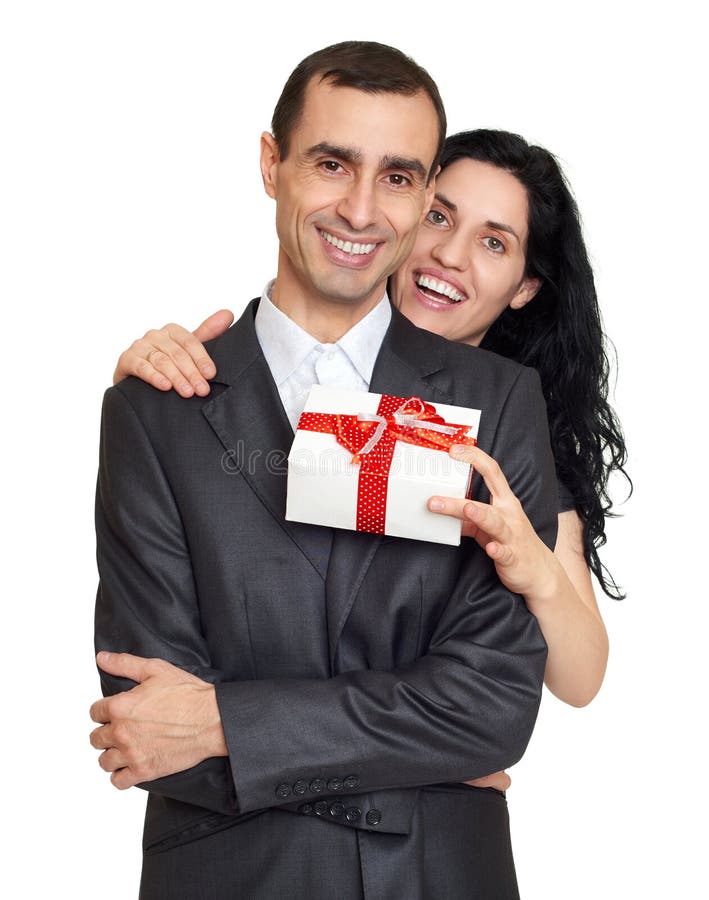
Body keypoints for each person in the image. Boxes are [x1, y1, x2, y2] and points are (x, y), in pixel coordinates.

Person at [90, 42, 559, 899]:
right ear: (272, 164)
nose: (359, 208)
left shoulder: (497, 401)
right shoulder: (154, 408)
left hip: (440, 879)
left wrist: (227, 721)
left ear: (423, 200)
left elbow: (491, 707)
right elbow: (150, 727)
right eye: (332, 163)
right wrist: (417, 757)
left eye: (397, 177)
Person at [114, 128, 628, 722]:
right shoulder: (278, 361)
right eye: (438, 217)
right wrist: (152, 399)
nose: (451, 256)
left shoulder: (511, 428)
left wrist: (534, 568)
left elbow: (579, 677)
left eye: (493, 242)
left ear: (525, 286)